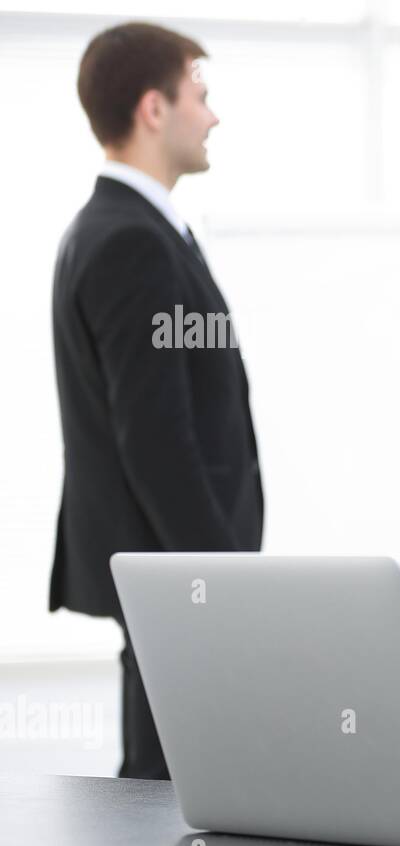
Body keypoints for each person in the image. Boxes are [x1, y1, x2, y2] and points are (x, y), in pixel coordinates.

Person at [49, 22, 263, 779]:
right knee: (167, 788)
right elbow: (156, 441)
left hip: (173, 579)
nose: (213, 116)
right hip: (178, 581)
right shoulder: (130, 241)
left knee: (172, 785)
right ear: (152, 109)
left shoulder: (129, 229)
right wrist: (223, 581)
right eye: (199, 96)